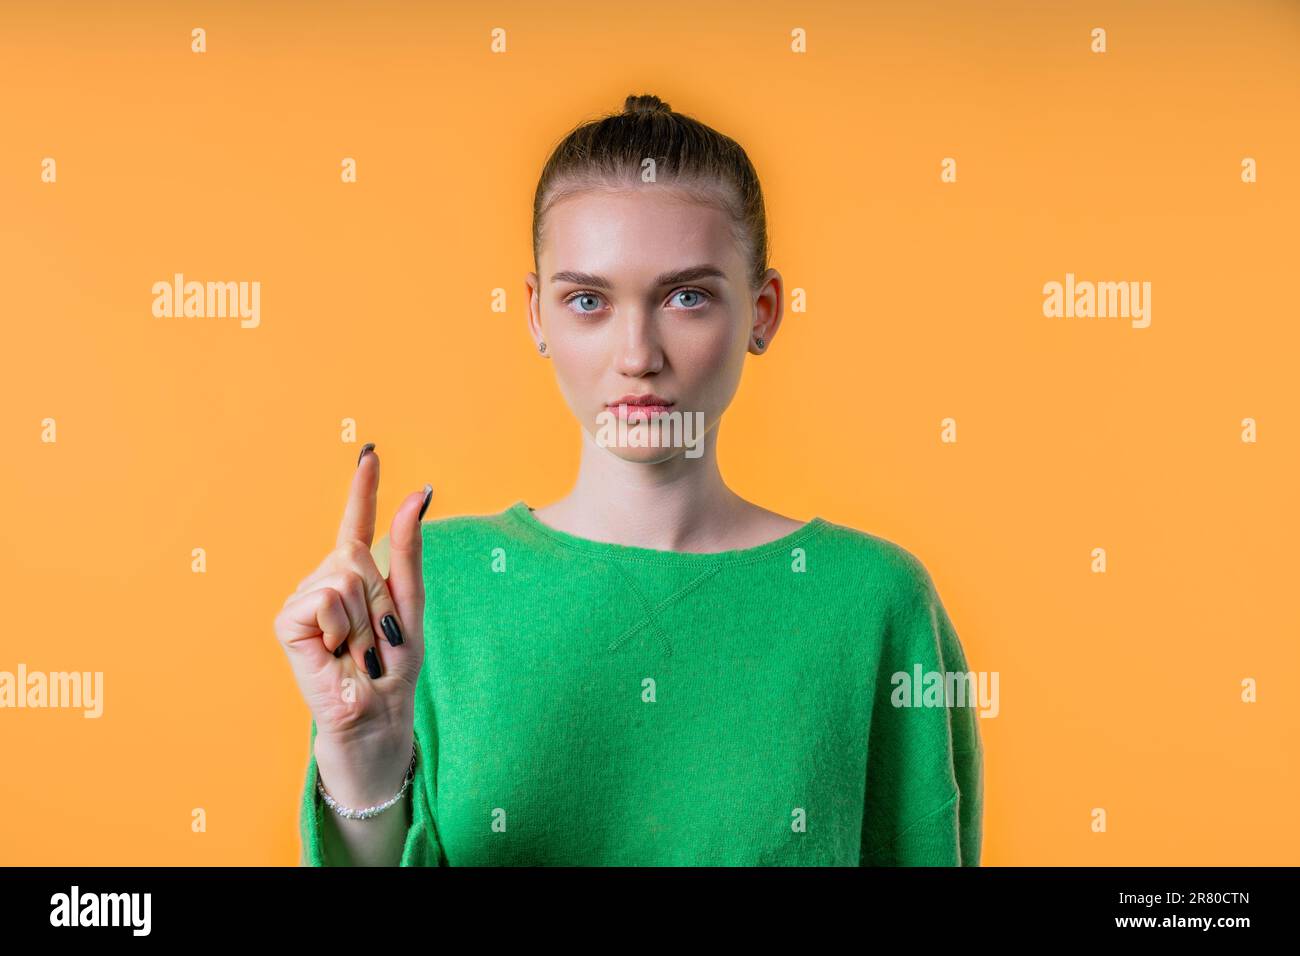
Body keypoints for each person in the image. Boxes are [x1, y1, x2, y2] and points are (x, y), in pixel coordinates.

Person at [276, 92, 984, 866]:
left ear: (763, 311)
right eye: (588, 300)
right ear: (536, 316)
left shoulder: (875, 602)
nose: (637, 353)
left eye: (687, 297)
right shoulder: (427, 591)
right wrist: (363, 768)